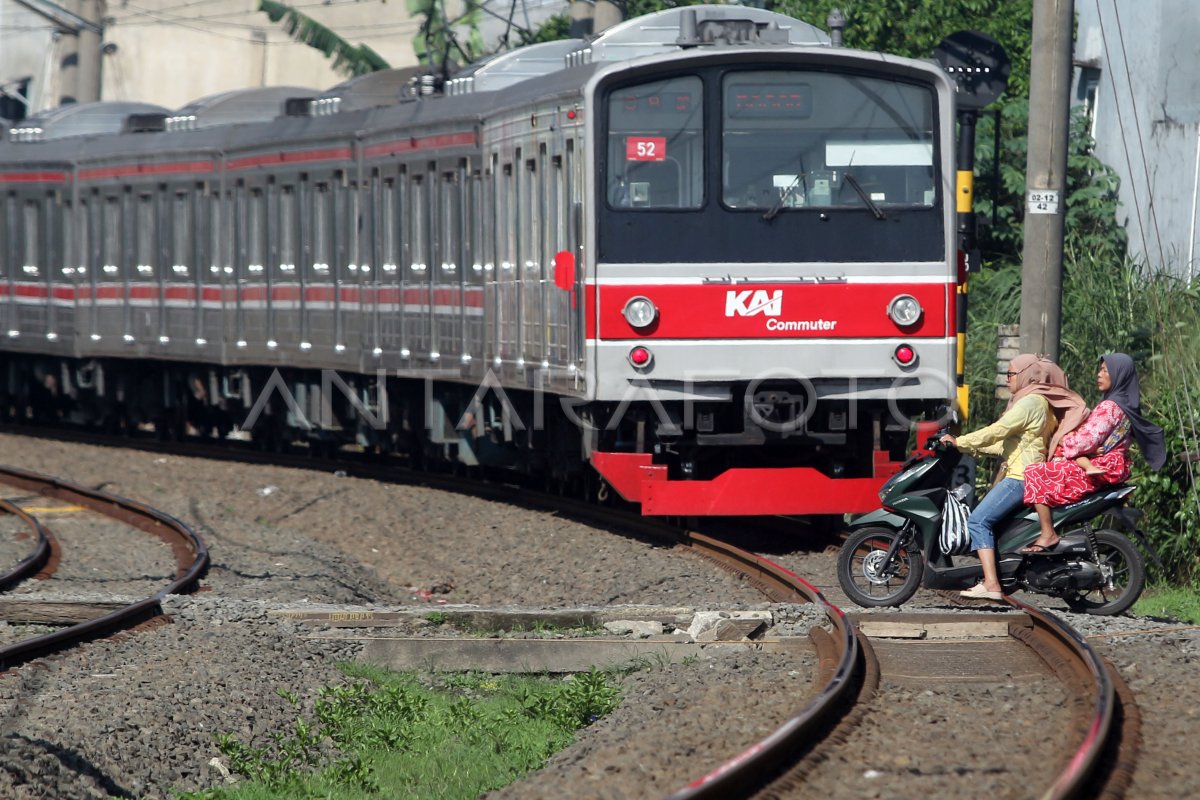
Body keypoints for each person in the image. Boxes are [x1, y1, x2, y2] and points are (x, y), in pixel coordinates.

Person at [940, 354, 1088, 600]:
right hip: (1025, 472)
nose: (1007, 379)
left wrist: (961, 440)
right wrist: (963, 447)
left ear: (1027, 375)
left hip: (1020, 478)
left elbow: (998, 430)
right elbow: (1005, 446)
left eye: (1011, 374)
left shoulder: (1031, 403)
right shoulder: (1040, 403)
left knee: (978, 520)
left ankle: (991, 584)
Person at [1020, 352, 1167, 553]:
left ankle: (1048, 533)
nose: (1099, 374)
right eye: (1100, 369)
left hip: (1099, 468)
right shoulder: (1124, 404)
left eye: (1106, 371)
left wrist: (1061, 439)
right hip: (1108, 466)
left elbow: (1084, 441)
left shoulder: (1110, 407)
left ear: (1119, 375)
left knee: (1034, 473)